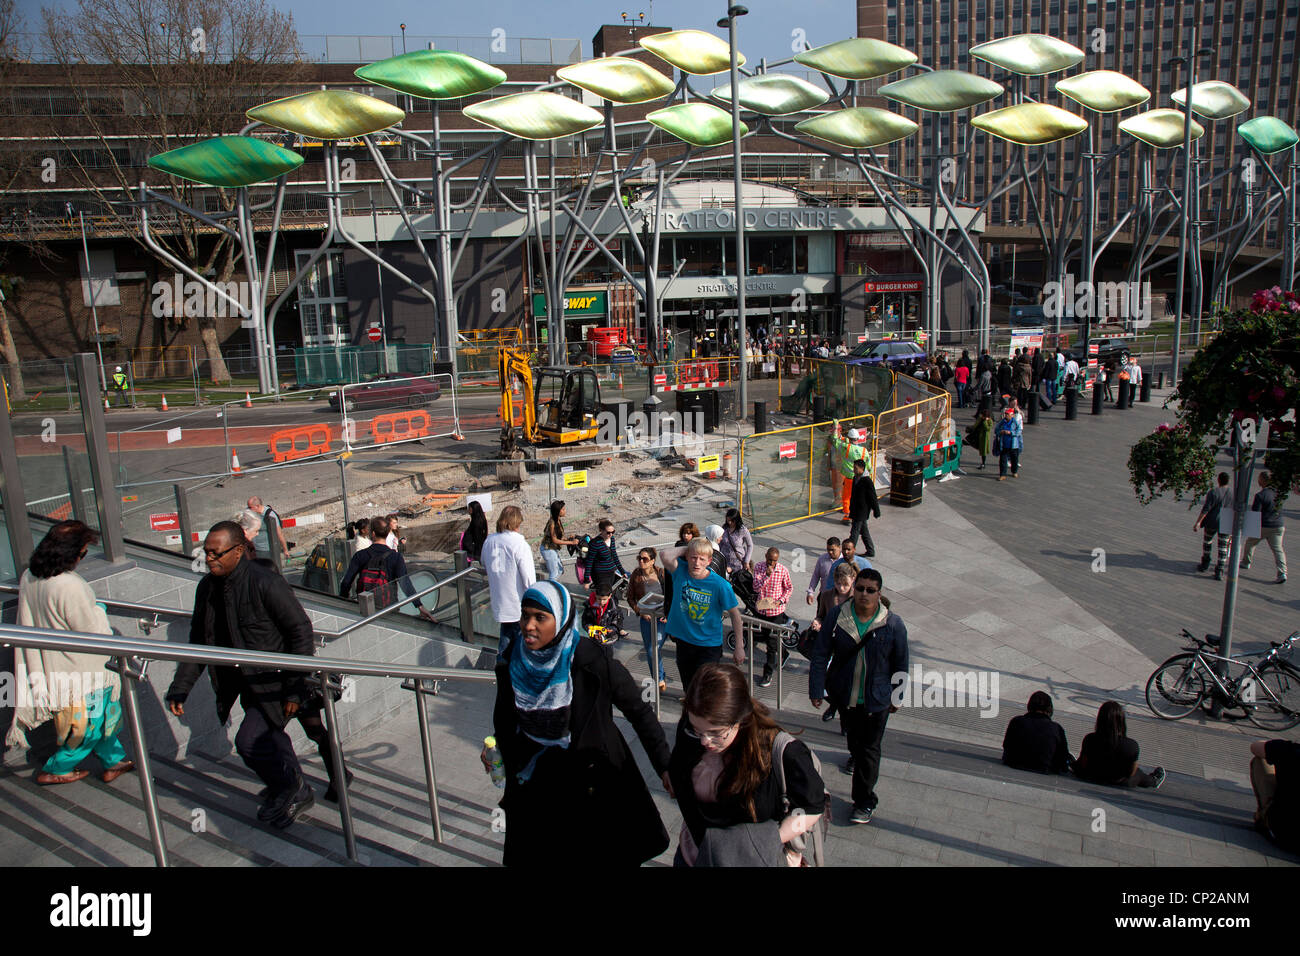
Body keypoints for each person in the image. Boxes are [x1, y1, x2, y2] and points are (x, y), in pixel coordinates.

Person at [486, 579, 671, 866]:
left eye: (540, 617)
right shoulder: (513, 660)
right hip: (537, 787)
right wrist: (497, 745)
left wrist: (665, 766)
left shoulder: (591, 660)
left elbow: (639, 712)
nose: (529, 625)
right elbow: (507, 718)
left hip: (592, 784)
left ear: (560, 620)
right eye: (525, 616)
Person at [166, 521, 319, 828]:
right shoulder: (207, 589)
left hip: (275, 682)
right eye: (206, 552)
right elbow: (199, 643)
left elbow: (300, 632)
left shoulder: (265, 582)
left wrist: (294, 687)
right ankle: (288, 784)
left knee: (250, 741)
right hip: (243, 682)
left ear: (238, 551)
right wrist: (181, 686)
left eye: (216, 553)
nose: (209, 559)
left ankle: (293, 789)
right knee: (272, 737)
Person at [10, 521, 135, 786]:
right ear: (70, 552)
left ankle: (114, 761)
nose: (82, 557)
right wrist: (99, 608)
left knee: (103, 721)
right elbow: (92, 631)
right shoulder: (68, 585)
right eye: (83, 552)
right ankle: (56, 768)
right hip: (84, 673)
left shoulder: (30, 576)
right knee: (88, 728)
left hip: (57, 669)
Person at [668, 663, 825, 866]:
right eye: (697, 730)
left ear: (739, 720)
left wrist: (769, 841)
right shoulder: (691, 729)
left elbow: (812, 805)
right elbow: (678, 768)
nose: (705, 741)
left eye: (716, 733)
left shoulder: (780, 751)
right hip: (694, 855)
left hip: (753, 859)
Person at [809, 568, 908, 824]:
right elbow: (821, 652)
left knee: (869, 750)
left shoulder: (893, 624)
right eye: (860, 588)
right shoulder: (837, 615)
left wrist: (897, 697)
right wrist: (816, 688)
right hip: (845, 697)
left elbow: (901, 664)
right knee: (855, 743)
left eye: (870, 590)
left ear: (879, 593)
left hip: (877, 699)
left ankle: (864, 801)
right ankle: (856, 762)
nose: (864, 594)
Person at [659, 538, 745, 692]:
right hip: (684, 642)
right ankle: (690, 713)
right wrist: (691, 548)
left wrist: (739, 646)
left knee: (704, 689)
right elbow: (664, 554)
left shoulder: (720, 584)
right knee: (689, 688)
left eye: (701, 559)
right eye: (693, 558)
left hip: (708, 646)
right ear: (687, 557)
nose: (696, 563)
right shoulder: (681, 572)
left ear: (709, 561)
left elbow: (735, 615)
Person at [338, 517, 434, 620]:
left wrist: (343, 604)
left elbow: (346, 583)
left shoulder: (360, 555)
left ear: (373, 534)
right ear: (388, 533)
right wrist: (419, 606)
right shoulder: (396, 557)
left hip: (365, 609)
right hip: (389, 609)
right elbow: (405, 583)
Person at [481, 505, 536, 653]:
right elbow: (529, 579)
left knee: (505, 641)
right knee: (522, 646)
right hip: (518, 604)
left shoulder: (489, 541)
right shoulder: (519, 544)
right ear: (518, 523)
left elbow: (484, 562)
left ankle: (502, 671)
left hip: (500, 602)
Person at [1075, 700, 1165, 789]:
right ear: (1121, 721)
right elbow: (1131, 772)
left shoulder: (1090, 739)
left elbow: (1083, 763)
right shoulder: (1131, 745)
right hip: (1119, 780)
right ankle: (1154, 780)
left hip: (1092, 775)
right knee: (1138, 773)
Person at [628, 547, 669, 692]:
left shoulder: (661, 573)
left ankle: (659, 678)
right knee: (650, 649)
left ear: (652, 561)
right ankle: (658, 678)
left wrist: (667, 613)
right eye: (639, 558)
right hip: (646, 617)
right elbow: (630, 598)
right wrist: (640, 611)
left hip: (661, 616)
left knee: (653, 649)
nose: (641, 561)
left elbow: (671, 594)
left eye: (645, 559)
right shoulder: (636, 575)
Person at [1249, 737, 1300, 851]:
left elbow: (1255, 747)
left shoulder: (1290, 749)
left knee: (1261, 761)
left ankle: (1264, 814)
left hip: (1282, 833)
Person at [1001, 691, 1071, 774]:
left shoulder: (1016, 721)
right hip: (1043, 768)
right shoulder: (1056, 728)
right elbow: (1062, 758)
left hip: (1015, 763)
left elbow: (1007, 745)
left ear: (1029, 706)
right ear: (1049, 709)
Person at [752, 547, 793, 687]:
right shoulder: (759, 567)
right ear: (765, 556)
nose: (771, 563)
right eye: (769, 560)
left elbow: (788, 588)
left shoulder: (782, 570)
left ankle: (767, 673)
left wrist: (781, 600)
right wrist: (766, 576)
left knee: (771, 644)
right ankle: (784, 652)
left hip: (776, 612)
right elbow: (756, 588)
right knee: (766, 637)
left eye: (774, 561)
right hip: (763, 611)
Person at [1242, 472, 1287, 584]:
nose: (1258, 481)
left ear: (1263, 480)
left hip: (1264, 526)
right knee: (1278, 549)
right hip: (1278, 526)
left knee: (1250, 543)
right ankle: (1282, 573)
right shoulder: (1278, 493)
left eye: (1259, 479)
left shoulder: (1260, 495)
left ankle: (1246, 562)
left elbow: (1255, 513)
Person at [1194, 472, 1232, 580]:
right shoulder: (1232, 494)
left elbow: (1206, 509)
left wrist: (1198, 522)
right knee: (1223, 548)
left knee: (1207, 542)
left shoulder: (1213, 492)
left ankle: (1205, 563)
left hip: (1212, 521)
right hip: (1226, 522)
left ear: (1219, 480)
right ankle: (1219, 570)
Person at [847, 457, 881, 558]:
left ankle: (849, 551)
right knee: (864, 531)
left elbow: (873, 497)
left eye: (856, 468)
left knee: (854, 532)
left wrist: (876, 510)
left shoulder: (867, 481)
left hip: (861, 511)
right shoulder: (855, 478)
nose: (854, 469)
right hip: (855, 509)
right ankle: (870, 550)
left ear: (862, 469)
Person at [539, 500, 577, 581]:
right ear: (557, 511)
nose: (565, 511)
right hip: (548, 549)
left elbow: (558, 537)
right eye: (563, 509)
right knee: (554, 573)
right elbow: (555, 540)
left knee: (560, 570)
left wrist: (568, 539)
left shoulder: (557, 520)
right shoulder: (552, 523)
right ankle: (550, 589)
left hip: (552, 549)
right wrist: (571, 542)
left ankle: (553, 585)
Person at [586, 519, 628, 592]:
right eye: (608, 532)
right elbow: (589, 561)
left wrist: (622, 571)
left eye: (613, 532)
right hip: (600, 574)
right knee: (604, 594)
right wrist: (586, 580)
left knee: (611, 593)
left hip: (611, 572)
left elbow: (614, 556)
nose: (611, 534)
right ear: (601, 530)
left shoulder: (612, 539)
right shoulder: (595, 543)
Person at [247, 496, 289, 563]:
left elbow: (279, 533)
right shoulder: (250, 514)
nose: (248, 510)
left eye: (250, 507)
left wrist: (285, 550)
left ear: (257, 506)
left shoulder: (270, 515)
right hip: (255, 550)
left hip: (267, 550)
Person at [805, 537, 841, 604]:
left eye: (833, 550)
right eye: (828, 550)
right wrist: (810, 592)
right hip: (824, 596)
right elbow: (816, 576)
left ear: (839, 547)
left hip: (840, 598)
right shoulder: (822, 559)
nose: (830, 552)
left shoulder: (844, 561)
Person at [719, 508, 753, 577]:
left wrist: (747, 561)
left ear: (736, 520)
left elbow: (750, 545)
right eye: (728, 520)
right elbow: (720, 543)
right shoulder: (724, 528)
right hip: (725, 561)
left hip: (738, 563)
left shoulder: (743, 530)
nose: (729, 523)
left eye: (732, 521)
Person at [995, 405, 1022, 481]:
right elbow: (996, 430)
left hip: (1013, 445)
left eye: (1008, 414)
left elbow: (1019, 431)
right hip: (1004, 444)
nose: (1006, 415)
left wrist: (1011, 433)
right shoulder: (1002, 422)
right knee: (1003, 460)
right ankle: (1002, 474)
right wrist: (1001, 432)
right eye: (1006, 414)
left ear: (1012, 415)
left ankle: (1014, 471)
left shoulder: (1015, 422)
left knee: (1014, 459)